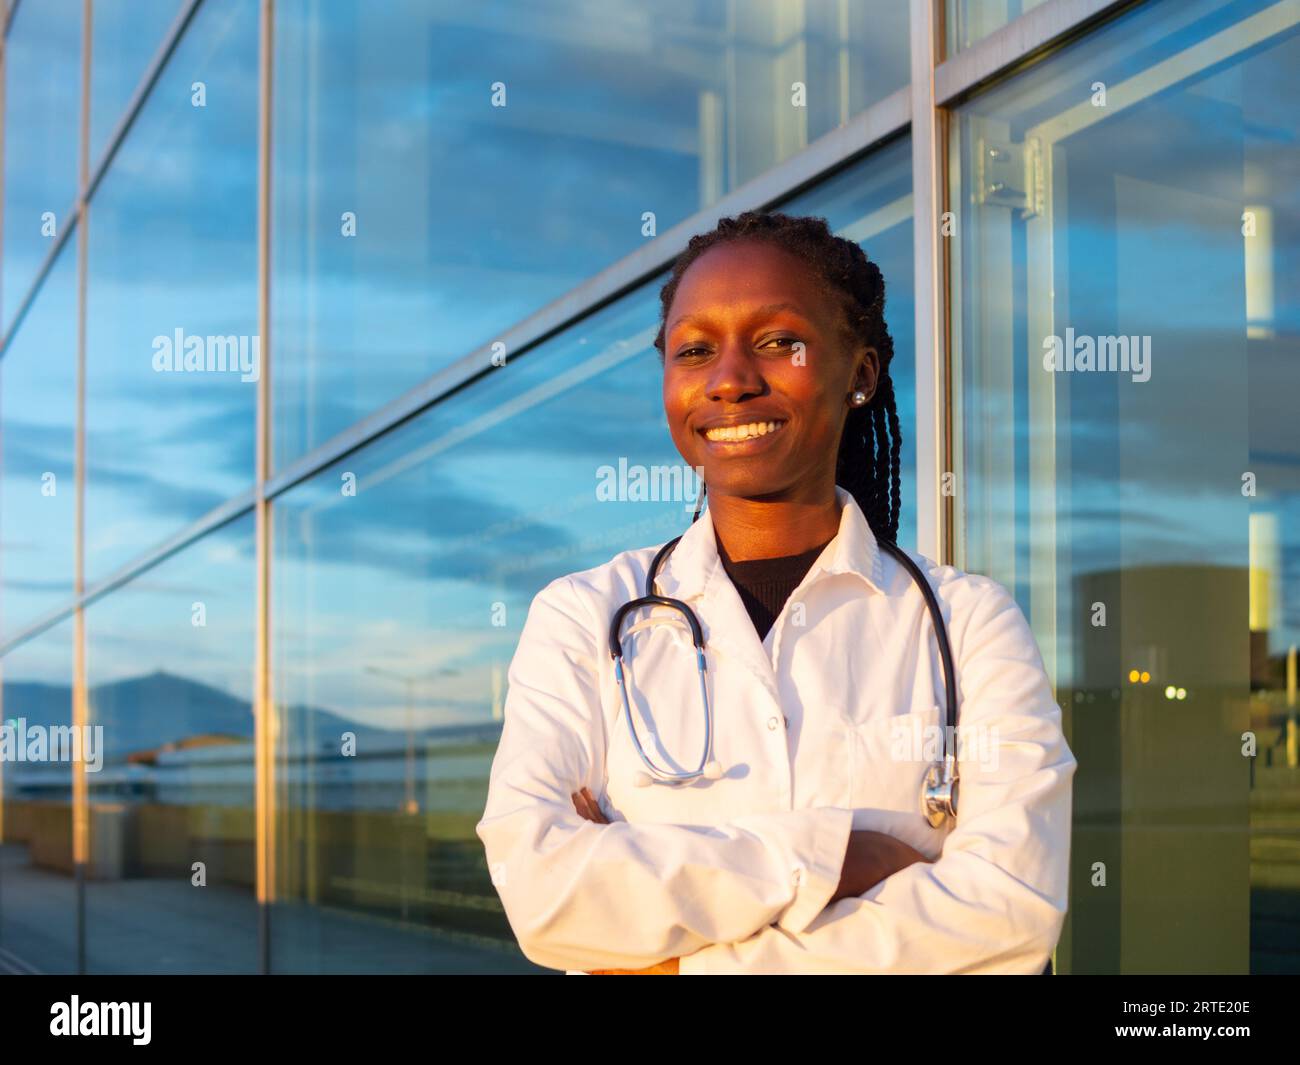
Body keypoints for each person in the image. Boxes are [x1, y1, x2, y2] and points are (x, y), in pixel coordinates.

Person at [476, 210, 1076, 974]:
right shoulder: (584, 617)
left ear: (859, 372)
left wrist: (670, 957)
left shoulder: (968, 625)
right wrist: (840, 856)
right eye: (695, 350)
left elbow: (1009, 913)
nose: (728, 380)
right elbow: (545, 894)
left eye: (777, 342)